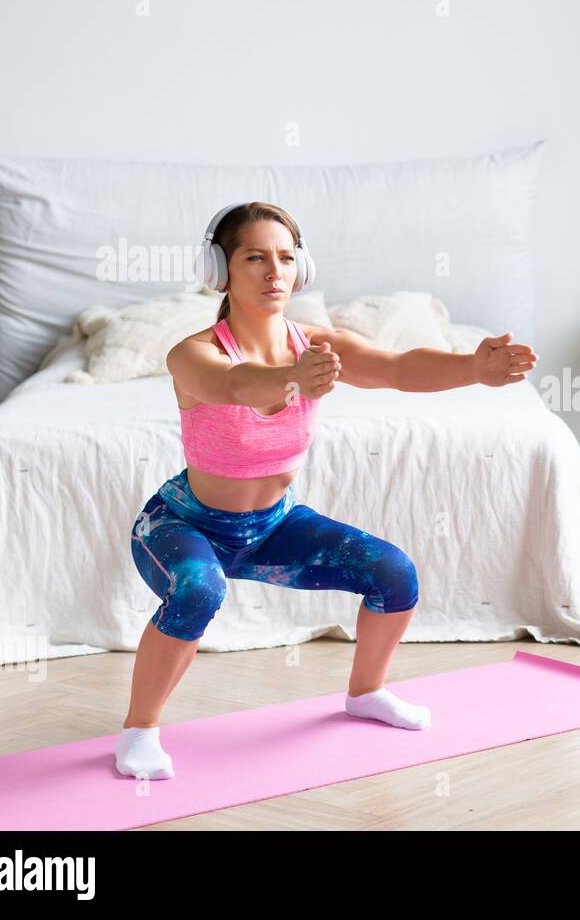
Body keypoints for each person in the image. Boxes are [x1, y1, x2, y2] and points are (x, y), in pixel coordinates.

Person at [117, 201, 538, 779]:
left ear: (302, 268)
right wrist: (291, 378)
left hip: (271, 526)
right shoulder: (194, 353)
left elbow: (395, 367)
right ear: (221, 270)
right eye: (255, 257)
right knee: (198, 590)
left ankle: (366, 694)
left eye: (286, 258)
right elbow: (235, 384)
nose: (274, 272)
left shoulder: (316, 346)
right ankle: (139, 731)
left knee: (393, 573)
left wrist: (474, 369)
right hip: (184, 525)